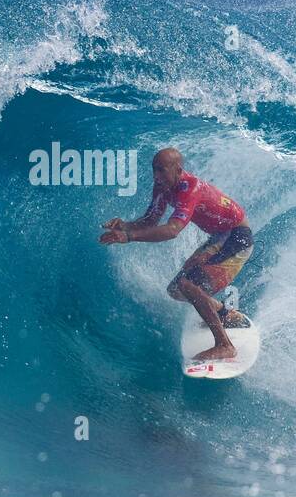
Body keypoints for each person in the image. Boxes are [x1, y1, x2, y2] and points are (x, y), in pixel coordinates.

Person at [100, 148, 253, 360]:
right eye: (154, 170)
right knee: (176, 289)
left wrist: (129, 237)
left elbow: (172, 230)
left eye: (161, 170)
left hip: (237, 237)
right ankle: (224, 313)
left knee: (188, 285)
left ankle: (225, 345)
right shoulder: (162, 187)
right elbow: (150, 220)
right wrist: (125, 226)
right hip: (220, 237)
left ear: (178, 170)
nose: (156, 176)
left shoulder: (190, 188)